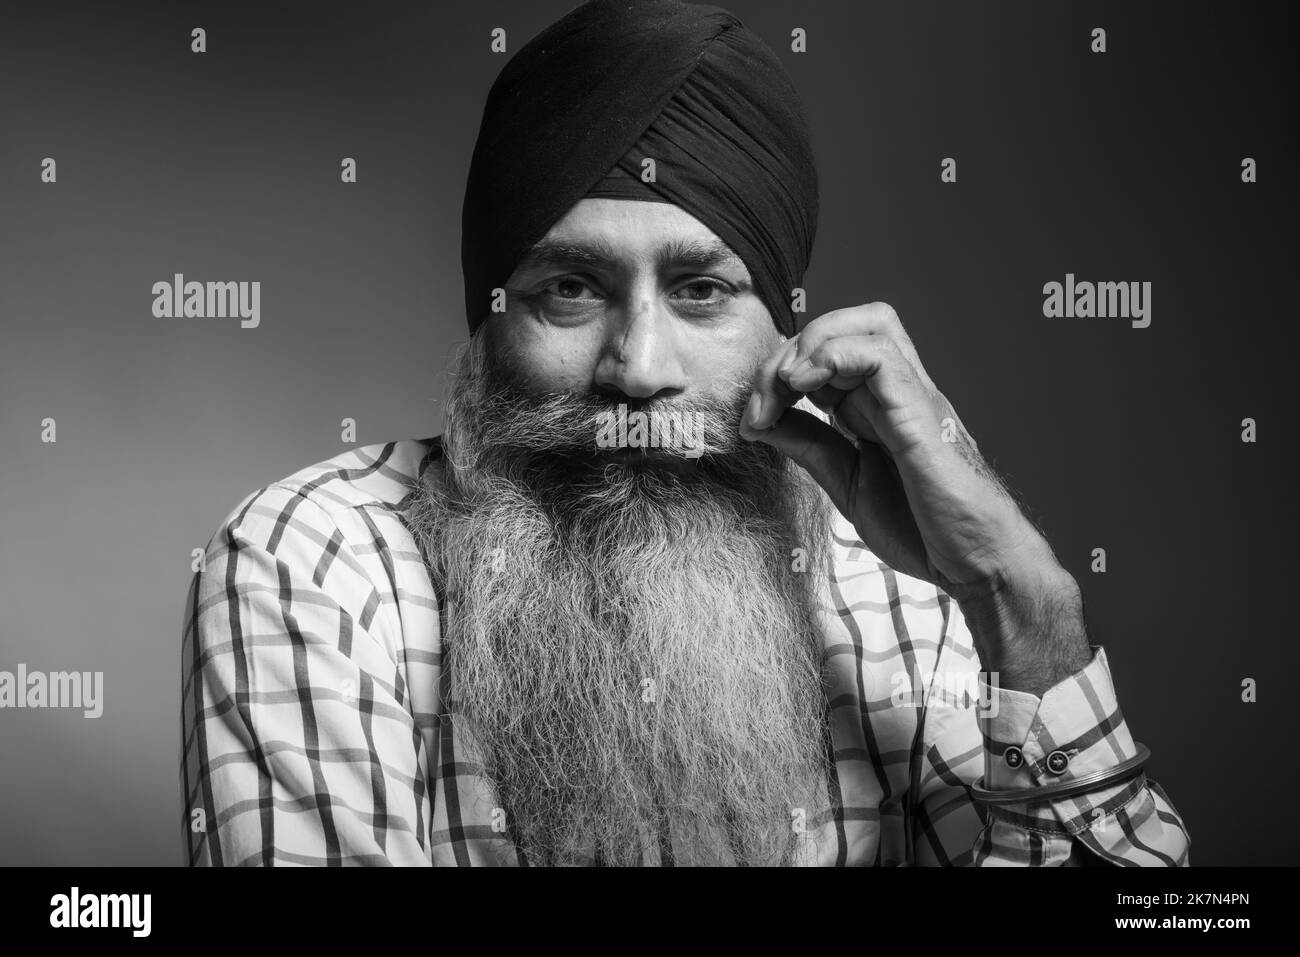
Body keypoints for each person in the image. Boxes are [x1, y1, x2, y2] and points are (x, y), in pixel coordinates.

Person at [180, 0, 1189, 866]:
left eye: (703, 290)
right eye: (570, 289)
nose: (639, 367)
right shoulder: (317, 558)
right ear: (487, 322)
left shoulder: (890, 579)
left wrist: (1020, 601)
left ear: (787, 331)